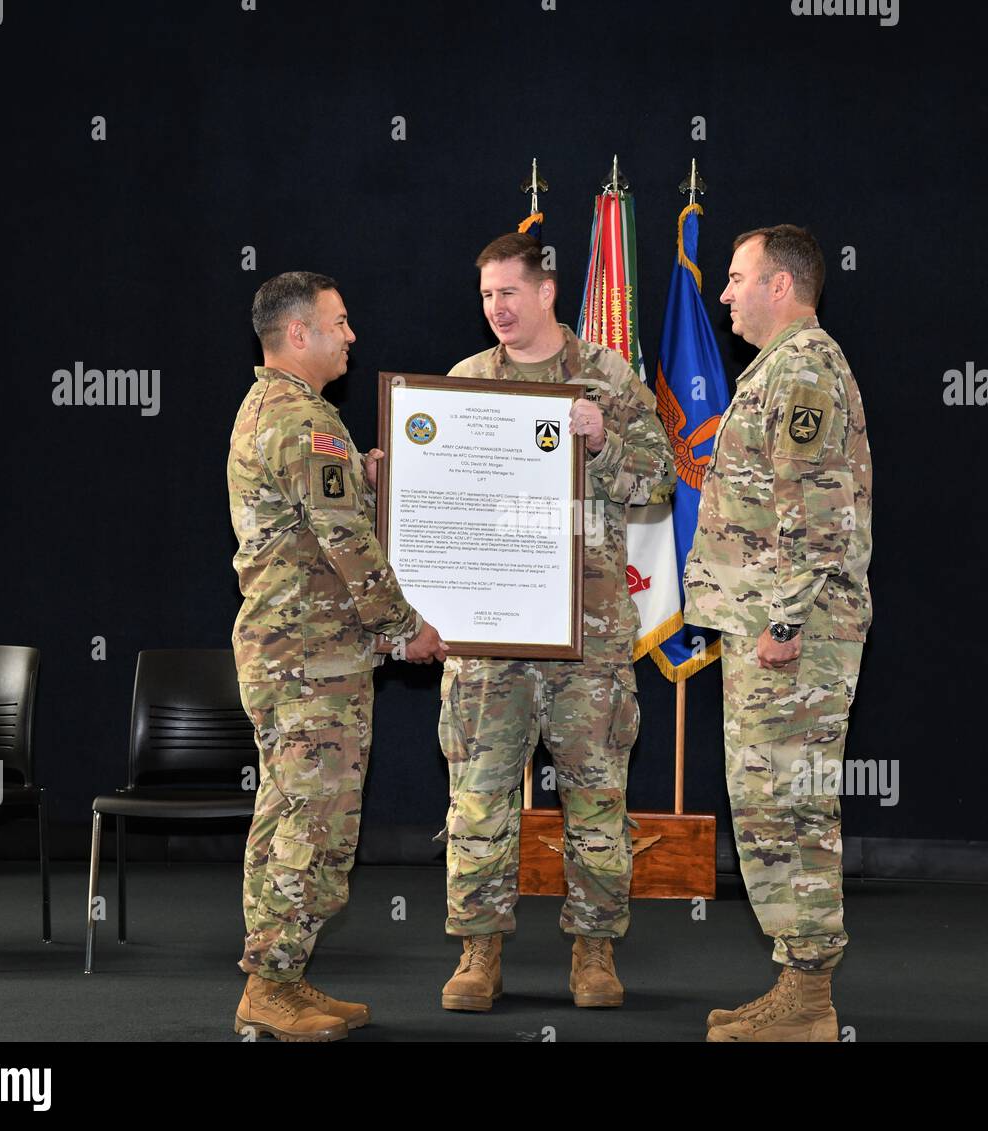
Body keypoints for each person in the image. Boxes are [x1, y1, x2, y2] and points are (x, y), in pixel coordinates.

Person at [437, 233, 676, 1011]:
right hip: (488, 635)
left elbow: (662, 484)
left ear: (547, 291)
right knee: (478, 797)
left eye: (509, 292)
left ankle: (595, 950)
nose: (496, 309)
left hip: (589, 634)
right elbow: (440, 499)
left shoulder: (609, 375)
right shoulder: (465, 383)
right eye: (485, 296)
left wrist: (604, 446)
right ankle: (479, 951)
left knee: (599, 799)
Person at [227, 271, 447, 1041]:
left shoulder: (275, 412)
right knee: (315, 823)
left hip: (284, 655)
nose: (351, 335)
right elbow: (346, 545)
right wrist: (403, 627)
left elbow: (318, 514)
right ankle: (271, 984)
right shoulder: (306, 423)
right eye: (340, 322)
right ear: (298, 335)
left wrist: (360, 473)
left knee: (284, 812)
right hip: (312, 662)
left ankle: (277, 974)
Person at [684, 226, 873, 1042]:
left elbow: (814, 516)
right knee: (770, 804)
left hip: (791, 632)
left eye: (735, 278)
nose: (724, 294)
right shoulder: (783, 368)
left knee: (790, 804)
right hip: (769, 623)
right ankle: (798, 985)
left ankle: (807, 996)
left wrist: (787, 620)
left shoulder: (803, 370)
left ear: (781, 286)